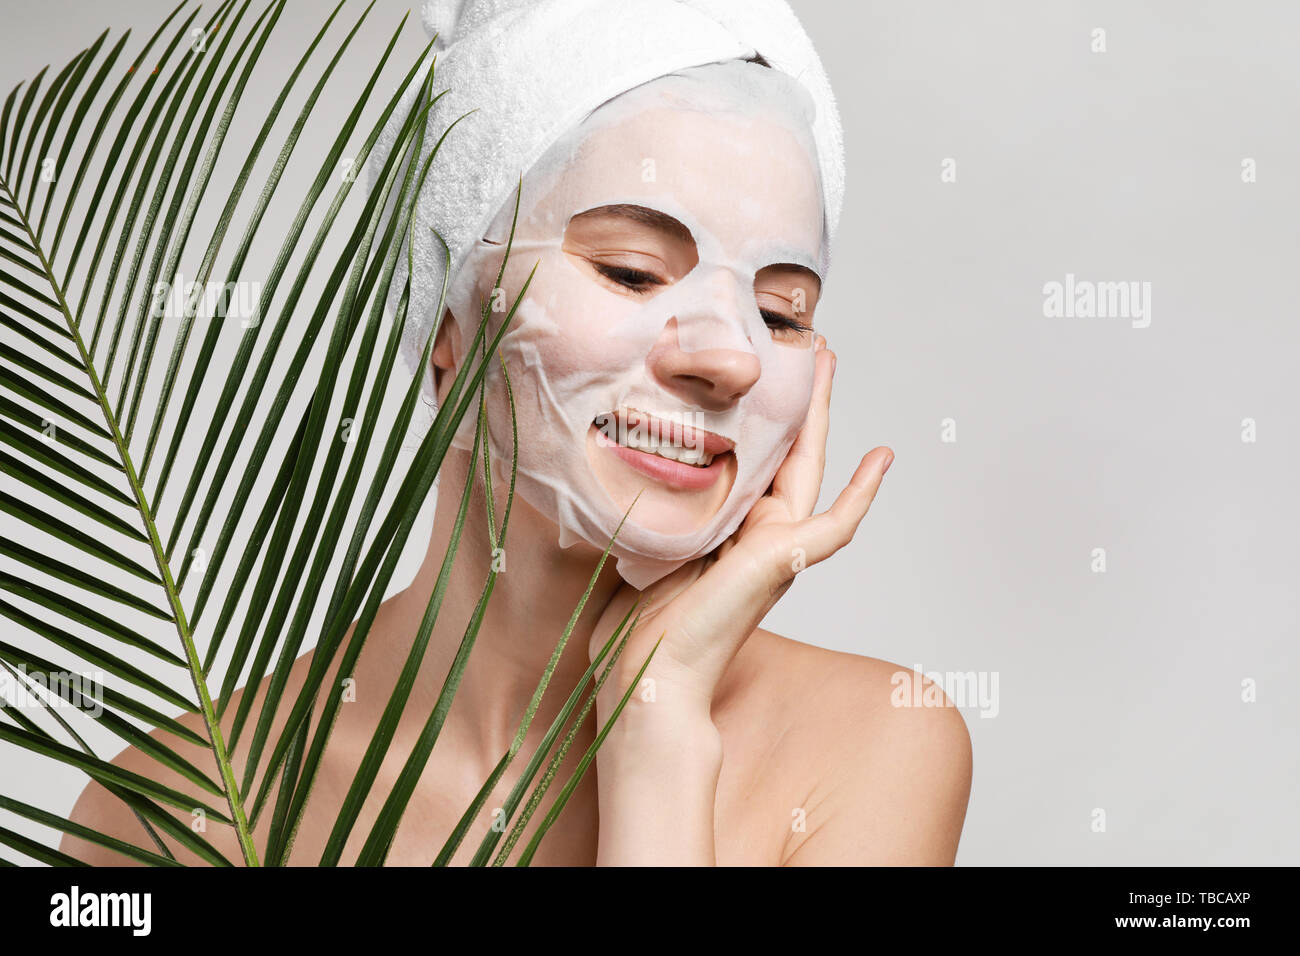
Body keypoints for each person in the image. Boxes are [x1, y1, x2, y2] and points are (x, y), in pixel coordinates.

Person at [65, 0, 971, 866]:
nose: (729, 356)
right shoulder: (171, 811)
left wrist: (654, 727)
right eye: (631, 270)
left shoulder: (876, 744)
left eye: (779, 314)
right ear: (447, 324)